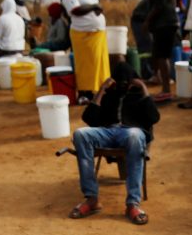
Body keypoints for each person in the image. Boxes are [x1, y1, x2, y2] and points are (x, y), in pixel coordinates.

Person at [68, 62, 160, 225]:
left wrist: (144, 89)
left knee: (133, 134)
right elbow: (88, 118)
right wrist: (102, 90)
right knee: (80, 134)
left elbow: (154, 118)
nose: (123, 85)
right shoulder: (110, 95)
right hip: (107, 132)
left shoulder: (139, 97)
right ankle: (92, 199)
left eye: (127, 82)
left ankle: (132, 203)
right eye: (120, 82)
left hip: (130, 132)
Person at [63, 0, 111, 105]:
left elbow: (96, 5)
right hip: (82, 34)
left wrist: (96, 8)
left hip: (98, 33)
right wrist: (93, 7)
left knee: (98, 63)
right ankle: (84, 93)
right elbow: (75, 10)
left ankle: (99, 91)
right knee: (85, 64)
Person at [144, 0, 179, 101]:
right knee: (161, 56)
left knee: (162, 56)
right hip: (165, 23)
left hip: (165, 23)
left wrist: (147, 21)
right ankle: (165, 89)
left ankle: (166, 90)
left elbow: (160, 4)